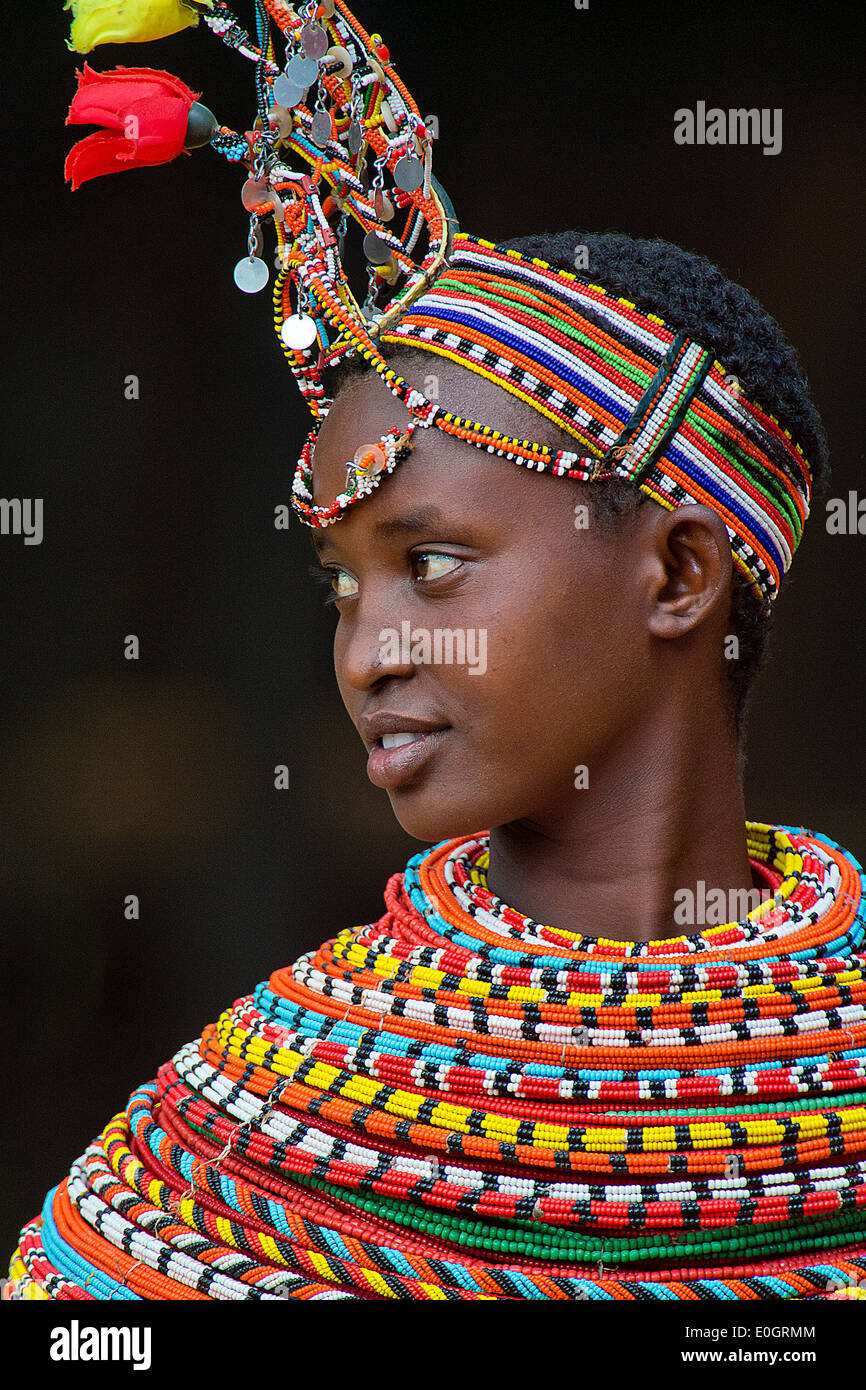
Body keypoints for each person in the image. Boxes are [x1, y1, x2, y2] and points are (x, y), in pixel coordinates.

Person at [7, 0, 864, 1302]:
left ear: (679, 575)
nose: (363, 655)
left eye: (433, 564)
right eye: (342, 585)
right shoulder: (232, 1127)